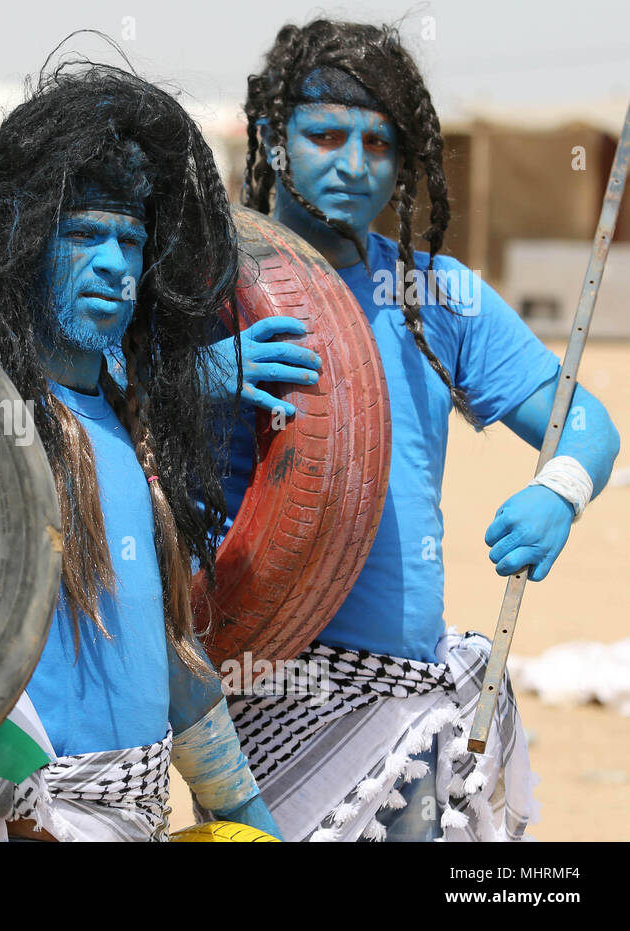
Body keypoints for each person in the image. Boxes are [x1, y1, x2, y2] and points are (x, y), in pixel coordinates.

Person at [0, 59, 281, 841]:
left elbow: (167, 657)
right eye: (84, 236)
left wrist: (244, 812)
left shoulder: (133, 420)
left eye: (131, 238)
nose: (116, 268)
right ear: (22, 242)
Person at [214, 18, 621, 841]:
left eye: (379, 142)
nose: (354, 165)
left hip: (400, 694)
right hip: (251, 689)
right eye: (324, 135)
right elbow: (90, 414)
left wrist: (559, 489)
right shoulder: (200, 286)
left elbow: (586, 421)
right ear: (271, 138)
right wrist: (207, 373)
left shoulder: (437, 298)